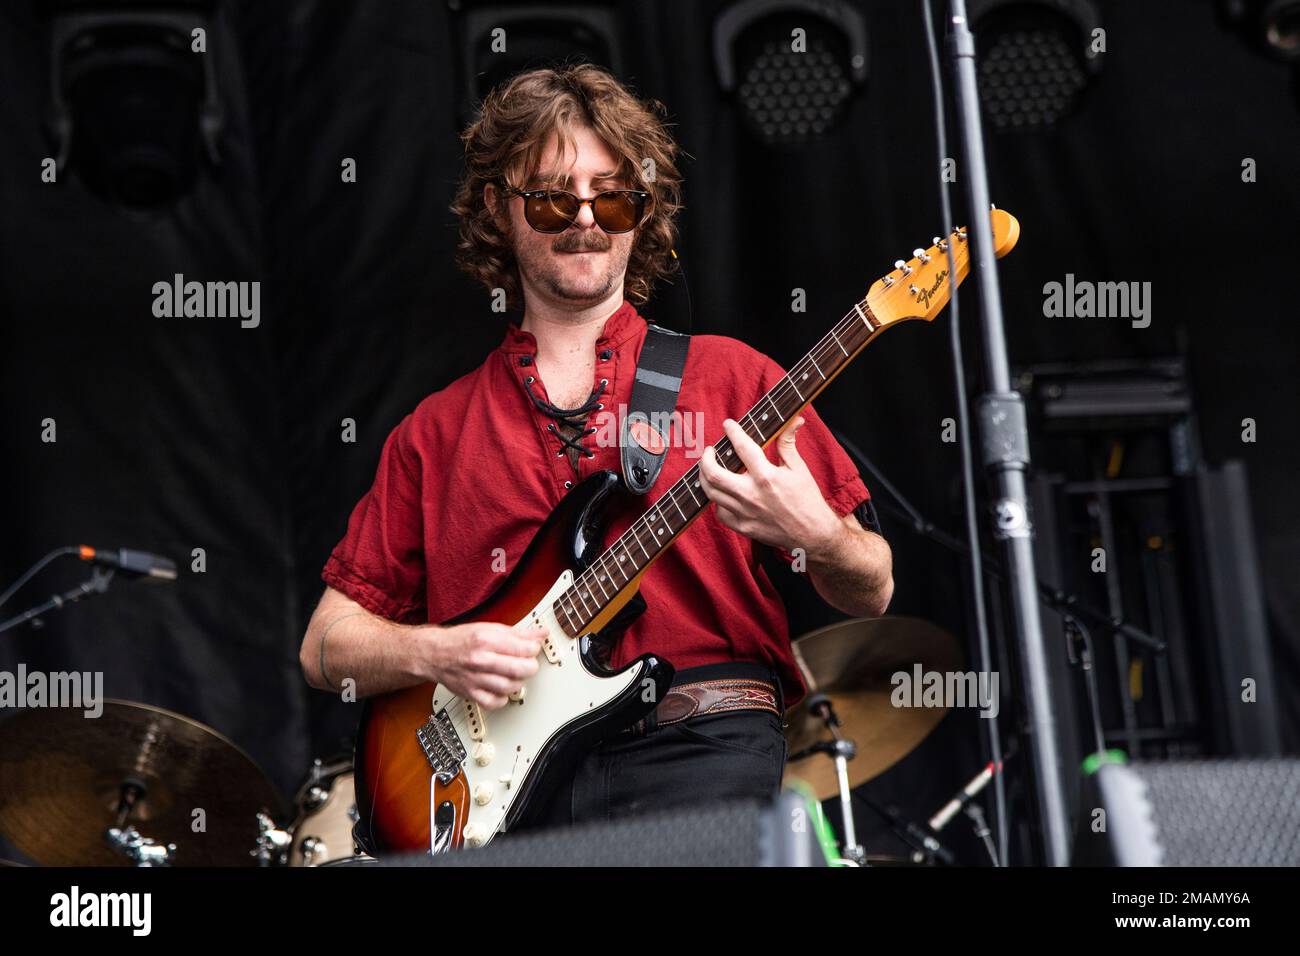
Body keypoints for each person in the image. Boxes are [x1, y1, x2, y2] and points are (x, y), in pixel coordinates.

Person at [298, 63, 892, 831]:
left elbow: (871, 587)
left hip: (702, 750)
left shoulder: (736, 379)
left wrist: (816, 537)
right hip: (510, 795)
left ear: (642, 214)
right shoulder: (433, 433)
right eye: (552, 198)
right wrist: (437, 655)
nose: (587, 219)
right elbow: (324, 647)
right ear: (496, 208)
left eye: (614, 196)